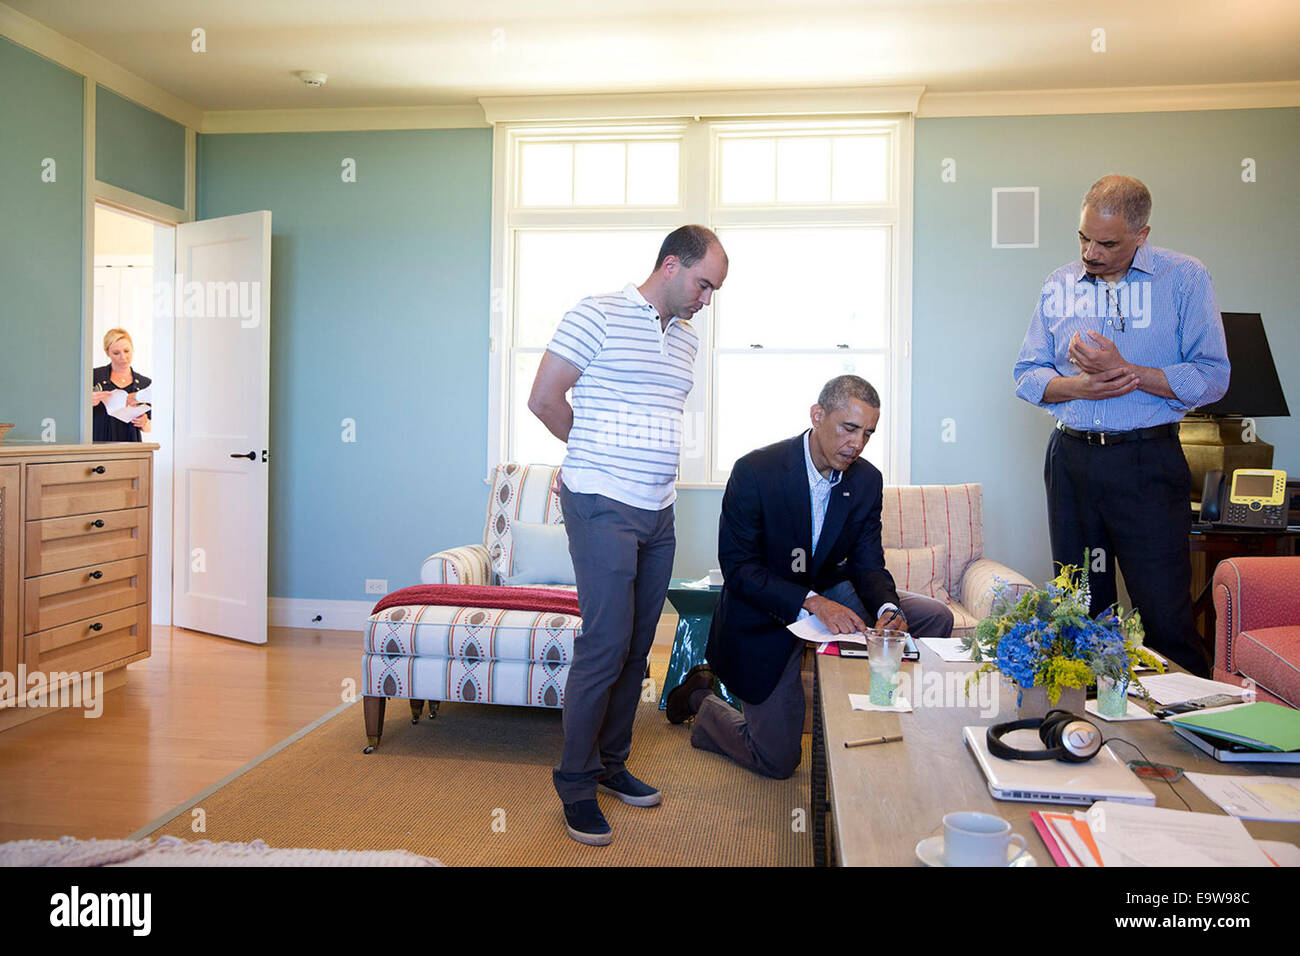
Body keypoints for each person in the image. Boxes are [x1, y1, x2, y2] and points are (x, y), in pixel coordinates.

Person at [528, 225, 728, 845]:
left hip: (658, 511)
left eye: (715, 289)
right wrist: (593, 455)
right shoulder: (598, 314)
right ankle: (576, 782)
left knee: (638, 647)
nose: (707, 298)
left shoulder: (687, 342)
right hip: (602, 504)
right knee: (605, 642)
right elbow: (544, 398)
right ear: (671, 265)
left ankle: (612, 766)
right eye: (703, 283)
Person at [667, 375, 954, 779]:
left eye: (868, 433)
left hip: (832, 589)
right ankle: (701, 699)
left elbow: (868, 562)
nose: (857, 443)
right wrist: (811, 601)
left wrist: (888, 608)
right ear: (817, 415)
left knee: (935, 616)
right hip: (765, 612)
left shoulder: (866, 480)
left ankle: (897, 719)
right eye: (849, 428)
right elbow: (740, 570)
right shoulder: (755, 471)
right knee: (777, 761)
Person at [1013, 175, 1229, 677]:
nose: (1090, 253)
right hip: (1070, 462)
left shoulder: (1186, 279)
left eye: (1106, 243)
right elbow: (1026, 374)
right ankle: (1088, 736)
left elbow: (1214, 377)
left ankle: (1184, 742)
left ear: (1142, 234)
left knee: (1165, 616)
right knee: (1080, 613)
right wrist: (1076, 387)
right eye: (1083, 238)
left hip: (1145, 462)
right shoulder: (1059, 284)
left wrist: (1130, 374)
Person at [91, 328, 152, 442]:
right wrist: (86, 403)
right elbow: (75, 412)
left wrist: (145, 423)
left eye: (126, 351)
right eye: (116, 353)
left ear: (133, 349)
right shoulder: (93, 377)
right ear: (107, 352)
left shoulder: (145, 383)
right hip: (98, 444)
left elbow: (151, 425)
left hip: (131, 446)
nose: (123, 357)